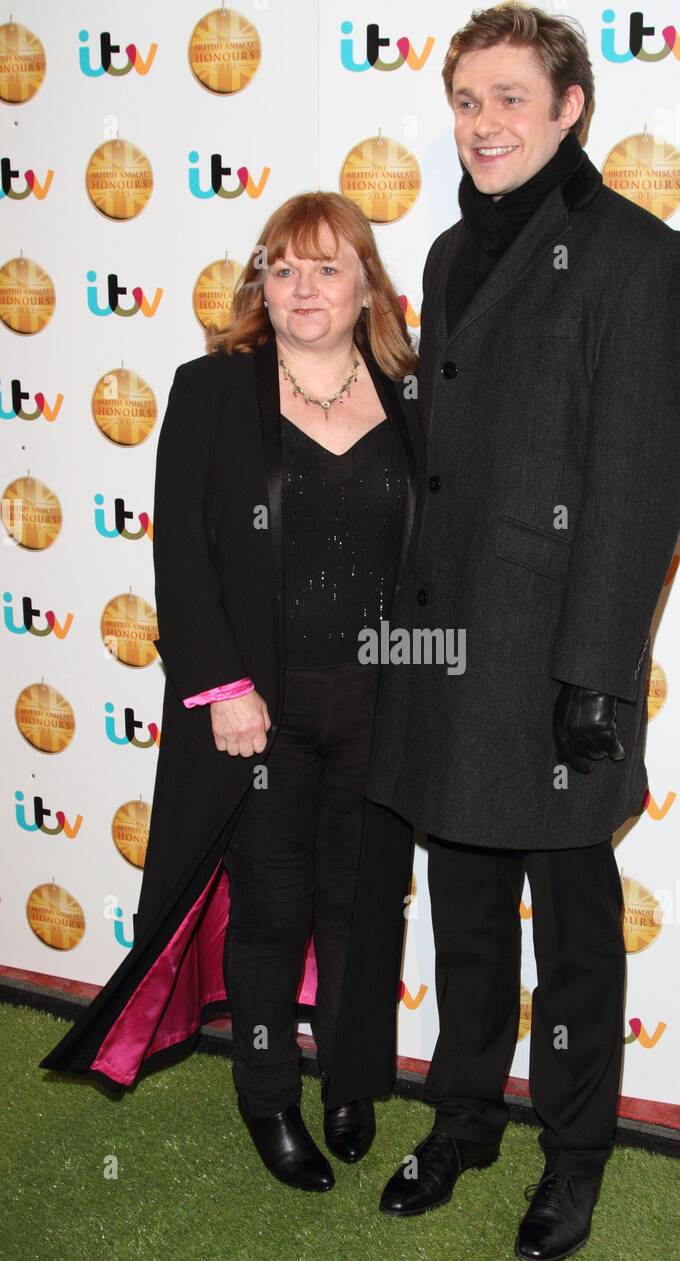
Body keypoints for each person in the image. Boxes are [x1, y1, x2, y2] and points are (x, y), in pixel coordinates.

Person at [326, 5, 680, 1261]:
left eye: (506, 98)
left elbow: (640, 481)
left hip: (555, 659)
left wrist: (594, 668)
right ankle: (462, 1117)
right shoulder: (440, 255)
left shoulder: (642, 260)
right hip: (443, 651)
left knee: (576, 925)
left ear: (567, 108)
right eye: (464, 100)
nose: (481, 123)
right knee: (466, 909)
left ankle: (575, 1153)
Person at [39, 193, 425, 1195]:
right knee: (267, 911)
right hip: (260, 713)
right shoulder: (212, 390)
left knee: (361, 908)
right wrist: (222, 687)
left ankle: (349, 1082)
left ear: (365, 288)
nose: (304, 288)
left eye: (328, 268)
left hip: (382, 704)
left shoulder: (412, 393)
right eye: (283, 269)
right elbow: (186, 555)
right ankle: (268, 1095)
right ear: (263, 285)